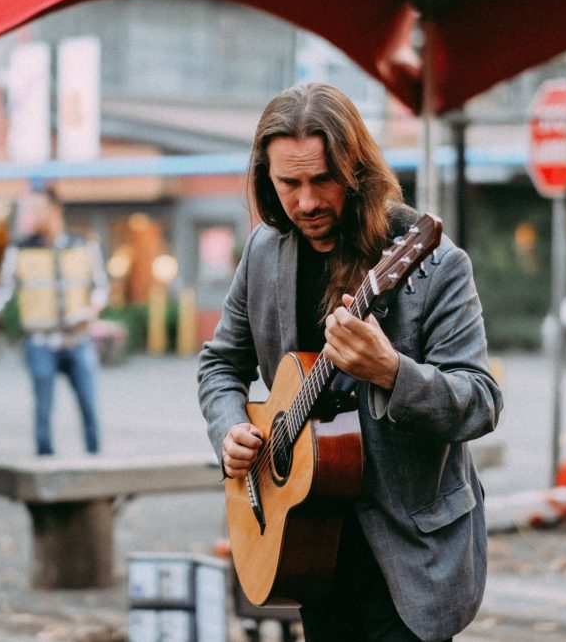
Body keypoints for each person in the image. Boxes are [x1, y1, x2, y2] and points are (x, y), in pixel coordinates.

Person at [197, 82, 503, 642]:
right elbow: (219, 364)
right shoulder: (264, 253)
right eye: (289, 183)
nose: (307, 201)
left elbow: (480, 402)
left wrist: (391, 372)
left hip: (414, 553)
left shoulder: (433, 262)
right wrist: (230, 428)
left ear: (356, 171)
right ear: (267, 176)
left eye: (323, 180)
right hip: (309, 542)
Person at [0, 186, 109, 456]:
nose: (29, 215)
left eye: (35, 209)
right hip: (40, 342)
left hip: (78, 340)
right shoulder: (20, 249)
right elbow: (3, 290)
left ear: (53, 211)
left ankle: (96, 469)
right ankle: (45, 472)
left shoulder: (84, 243)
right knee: (43, 411)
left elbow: (100, 287)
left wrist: (91, 310)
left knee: (89, 408)